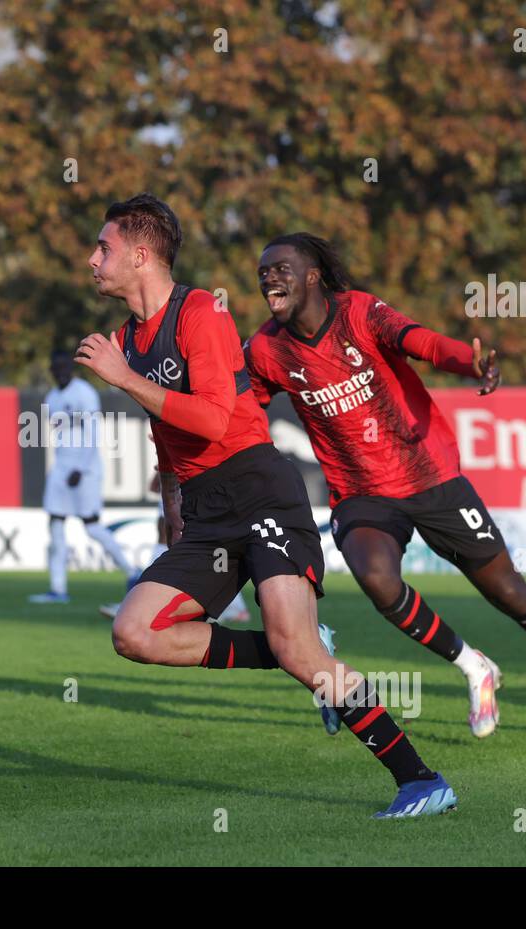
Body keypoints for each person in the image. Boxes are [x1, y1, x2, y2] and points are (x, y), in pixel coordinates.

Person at [75, 193, 456, 818]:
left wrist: (123, 379)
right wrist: (171, 498)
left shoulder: (201, 312)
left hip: (259, 492)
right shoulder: (128, 338)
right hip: (204, 509)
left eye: (104, 247)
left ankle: (421, 780)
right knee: (134, 632)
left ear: (140, 255)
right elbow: (166, 431)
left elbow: (212, 416)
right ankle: (298, 645)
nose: (93, 259)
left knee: (301, 654)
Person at [243, 233, 526, 740]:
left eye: (280, 268)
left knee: (510, 593)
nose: (269, 276)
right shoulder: (267, 348)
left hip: (430, 475)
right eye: (263, 270)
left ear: (312, 276)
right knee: (378, 581)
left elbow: (420, 341)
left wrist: (470, 363)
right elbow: (243, 411)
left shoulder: (359, 312)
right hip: (361, 491)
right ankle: (473, 666)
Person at [29, 350, 140, 604]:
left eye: (63, 367)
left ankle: (131, 571)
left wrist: (81, 467)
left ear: (71, 368)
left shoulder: (84, 393)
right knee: (55, 524)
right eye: (55, 368)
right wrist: (63, 466)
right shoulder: (52, 398)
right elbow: (59, 436)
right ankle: (58, 589)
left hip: (84, 469)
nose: (59, 371)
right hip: (61, 468)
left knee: (91, 526)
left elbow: (92, 433)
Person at [98, 467, 250, 624]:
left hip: (190, 476)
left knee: (196, 537)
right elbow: (155, 486)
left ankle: (139, 603)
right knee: (169, 533)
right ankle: (141, 602)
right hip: (180, 476)